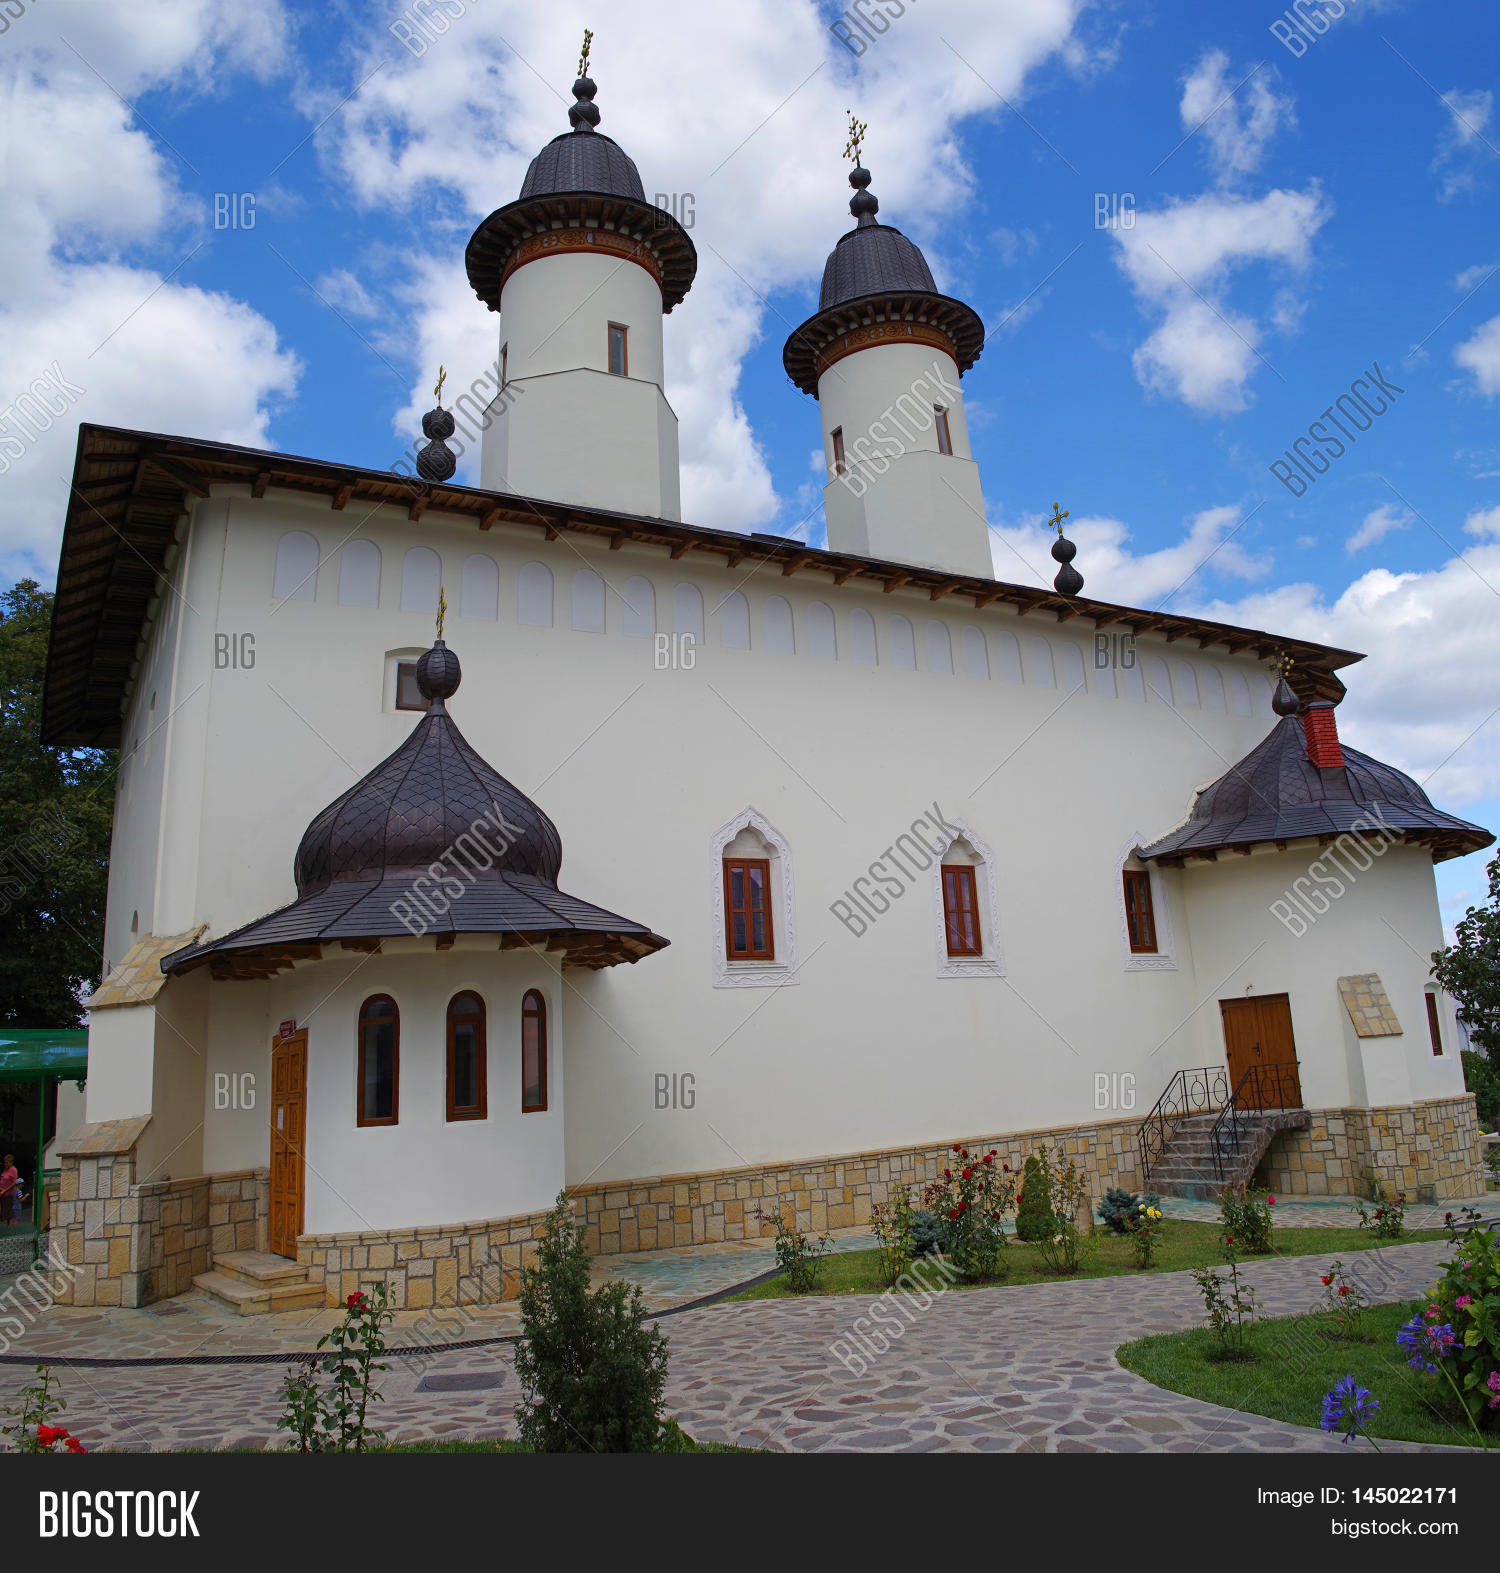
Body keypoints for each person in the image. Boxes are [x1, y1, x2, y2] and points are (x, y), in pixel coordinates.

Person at [0, 1156, 18, 1225]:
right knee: (4, 1212)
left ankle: (10, 1229)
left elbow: (14, 1182)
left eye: (7, 1163)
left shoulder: (13, 1170)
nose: (5, 1164)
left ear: (11, 1162)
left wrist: (5, 1190)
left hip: (10, 1194)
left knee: (9, 1213)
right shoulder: (5, 1170)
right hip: (3, 1194)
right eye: (5, 1163)